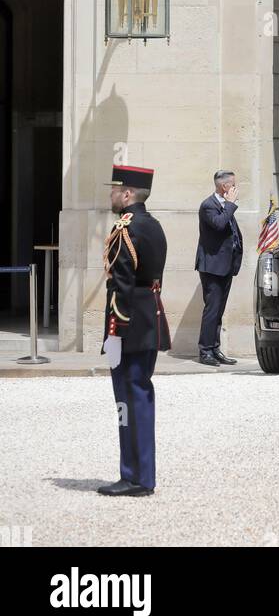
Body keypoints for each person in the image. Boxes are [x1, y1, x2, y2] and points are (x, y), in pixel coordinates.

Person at [99, 164, 170, 498]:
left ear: (128, 194)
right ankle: (142, 474)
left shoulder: (126, 227)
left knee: (128, 402)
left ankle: (135, 477)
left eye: (115, 189)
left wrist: (113, 333)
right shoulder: (153, 226)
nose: (111, 194)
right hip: (148, 321)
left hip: (128, 327)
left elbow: (121, 287)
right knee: (139, 397)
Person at [195, 170, 243, 366]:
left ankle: (215, 348)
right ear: (224, 187)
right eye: (233, 185)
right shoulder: (209, 205)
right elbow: (219, 224)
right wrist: (230, 204)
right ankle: (205, 350)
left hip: (225, 266)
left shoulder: (224, 206)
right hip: (212, 267)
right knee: (212, 309)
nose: (235, 188)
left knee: (219, 310)